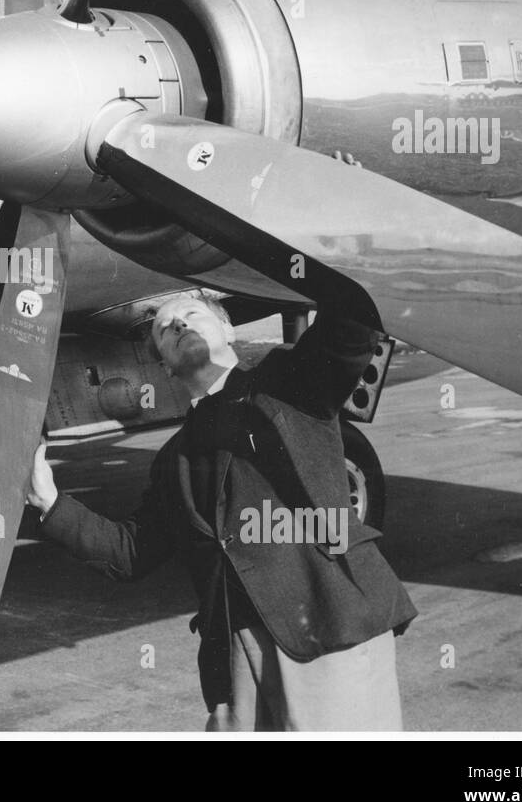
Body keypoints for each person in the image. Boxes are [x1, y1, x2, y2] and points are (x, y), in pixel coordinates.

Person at [27, 292, 417, 731]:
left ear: (229, 331)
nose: (177, 326)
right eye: (164, 329)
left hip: (327, 630)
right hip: (234, 659)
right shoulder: (173, 459)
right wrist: (50, 504)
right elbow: (132, 551)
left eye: (190, 315)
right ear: (163, 364)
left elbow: (349, 325)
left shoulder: (290, 380)